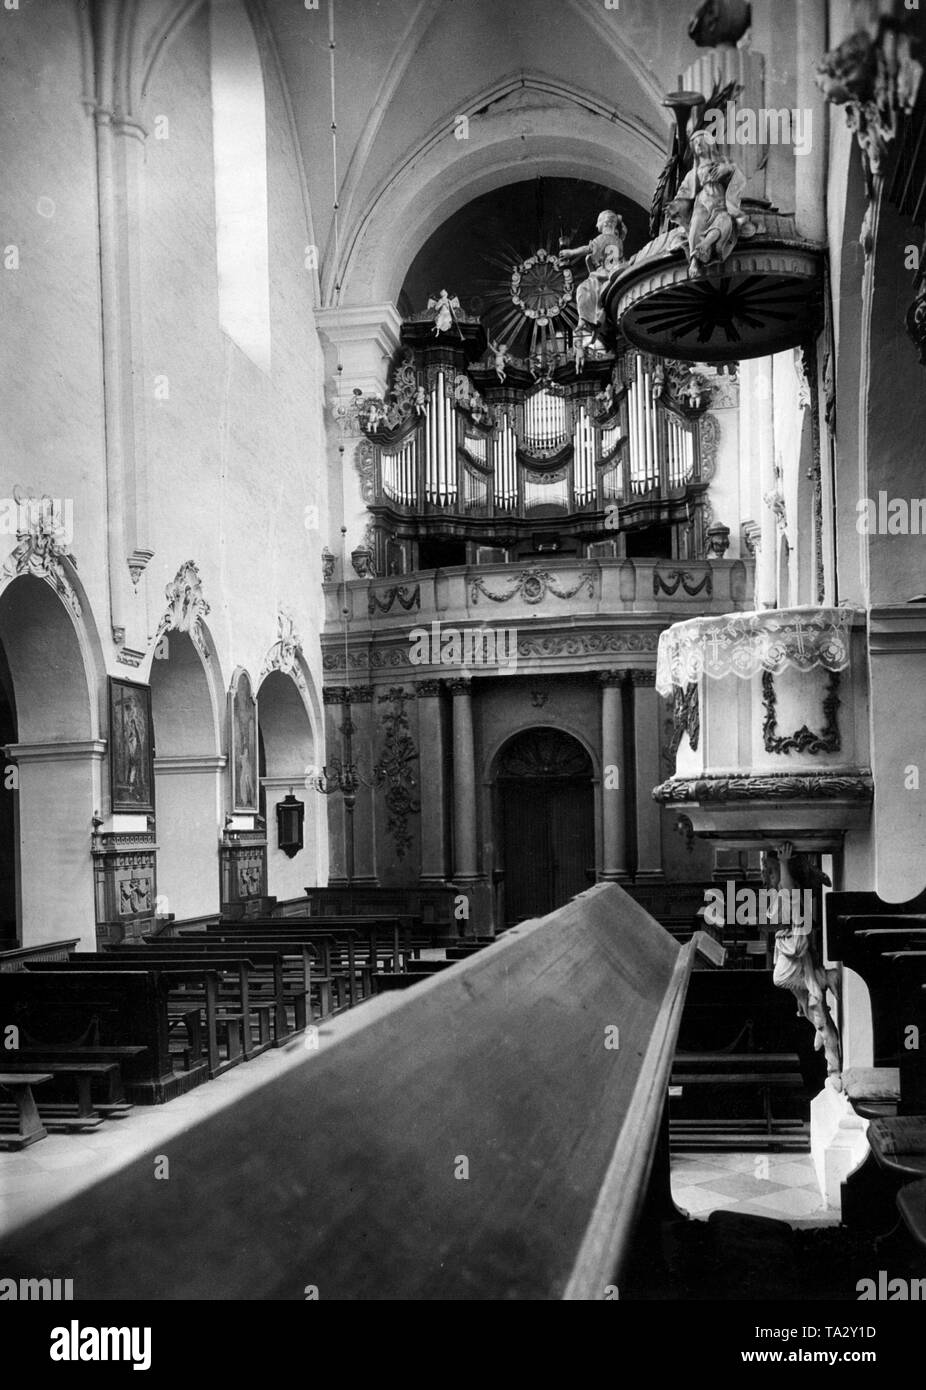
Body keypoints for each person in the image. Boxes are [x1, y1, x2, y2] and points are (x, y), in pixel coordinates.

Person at [764, 841, 842, 1088]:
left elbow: (788, 889)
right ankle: (831, 1060)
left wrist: (784, 864)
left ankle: (822, 978)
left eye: (770, 871)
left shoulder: (791, 890)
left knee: (789, 984)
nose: (768, 876)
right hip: (792, 947)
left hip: (796, 949)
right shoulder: (783, 892)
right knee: (813, 1009)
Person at [667, 129, 757, 277]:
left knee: (725, 221)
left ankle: (705, 245)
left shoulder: (722, 163)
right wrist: (675, 206)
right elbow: (684, 192)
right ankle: (695, 260)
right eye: (695, 144)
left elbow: (738, 177)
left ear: (709, 144)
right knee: (695, 225)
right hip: (702, 203)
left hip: (721, 202)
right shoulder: (694, 172)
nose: (698, 146)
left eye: (701, 142)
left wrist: (727, 169)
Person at [558, 211, 627, 336]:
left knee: (582, 289)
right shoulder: (618, 240)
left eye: (598, 223)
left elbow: (588, 249)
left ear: (604, 224)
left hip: (603, 273)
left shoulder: (601, 239)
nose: (596, 227)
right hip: (615, 271)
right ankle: (596, 319)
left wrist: (571, 253)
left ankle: (583, 319)